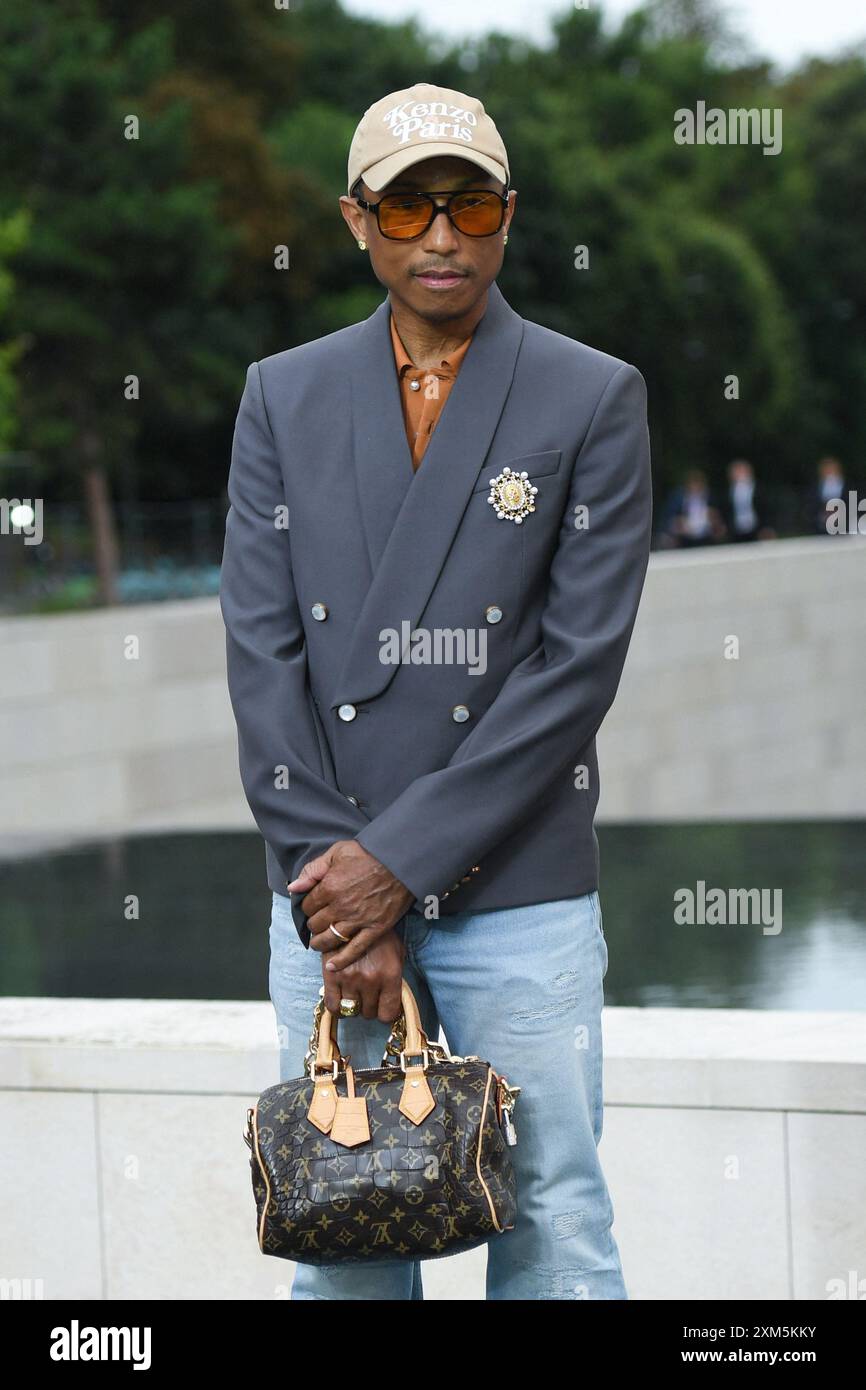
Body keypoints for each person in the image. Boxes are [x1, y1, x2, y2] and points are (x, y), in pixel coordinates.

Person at [219, 82, 653, 1301]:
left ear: (507, 216)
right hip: (325, 891)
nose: (440, 236)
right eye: (407, 208)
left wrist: (392, 867)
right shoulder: (280, 395)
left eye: (467, 204)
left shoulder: (591, 395)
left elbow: (571, 669)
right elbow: (264, 658)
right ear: (356, 221)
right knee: (346, 1231)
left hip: (517, 888)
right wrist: (341, 898)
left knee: (554, 1217)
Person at [658, 468, 726, 547]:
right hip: (685, 538)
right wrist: (677, 523)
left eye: (698, 485)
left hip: (707, 537)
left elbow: (721, 520)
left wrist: (715, 519)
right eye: (693, 485)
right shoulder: (678, 499)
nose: (696, 488)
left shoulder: (711, 498)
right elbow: (667, 520)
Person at [721, 458, 776, 542]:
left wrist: (767, 527)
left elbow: (767, 509)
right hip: (736, 530)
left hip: (757, 529)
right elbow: (726, 511)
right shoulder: (729, 492)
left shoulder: (759, 490)